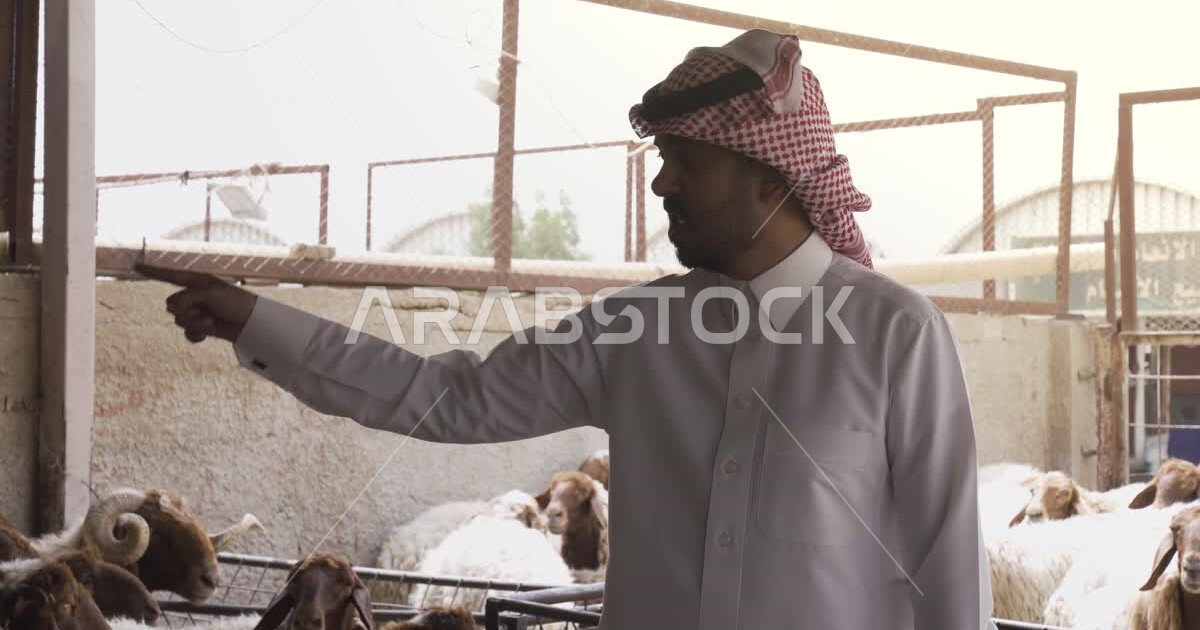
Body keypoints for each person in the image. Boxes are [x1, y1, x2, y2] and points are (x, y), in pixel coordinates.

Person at [138, 29, 993, 630]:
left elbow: (950, 576)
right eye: (661, 159)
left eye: (684, 160)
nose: (662, 184)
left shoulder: (896, 336)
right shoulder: (636, 330)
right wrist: (258, 317)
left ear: (769, 173)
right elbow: (442, 395)